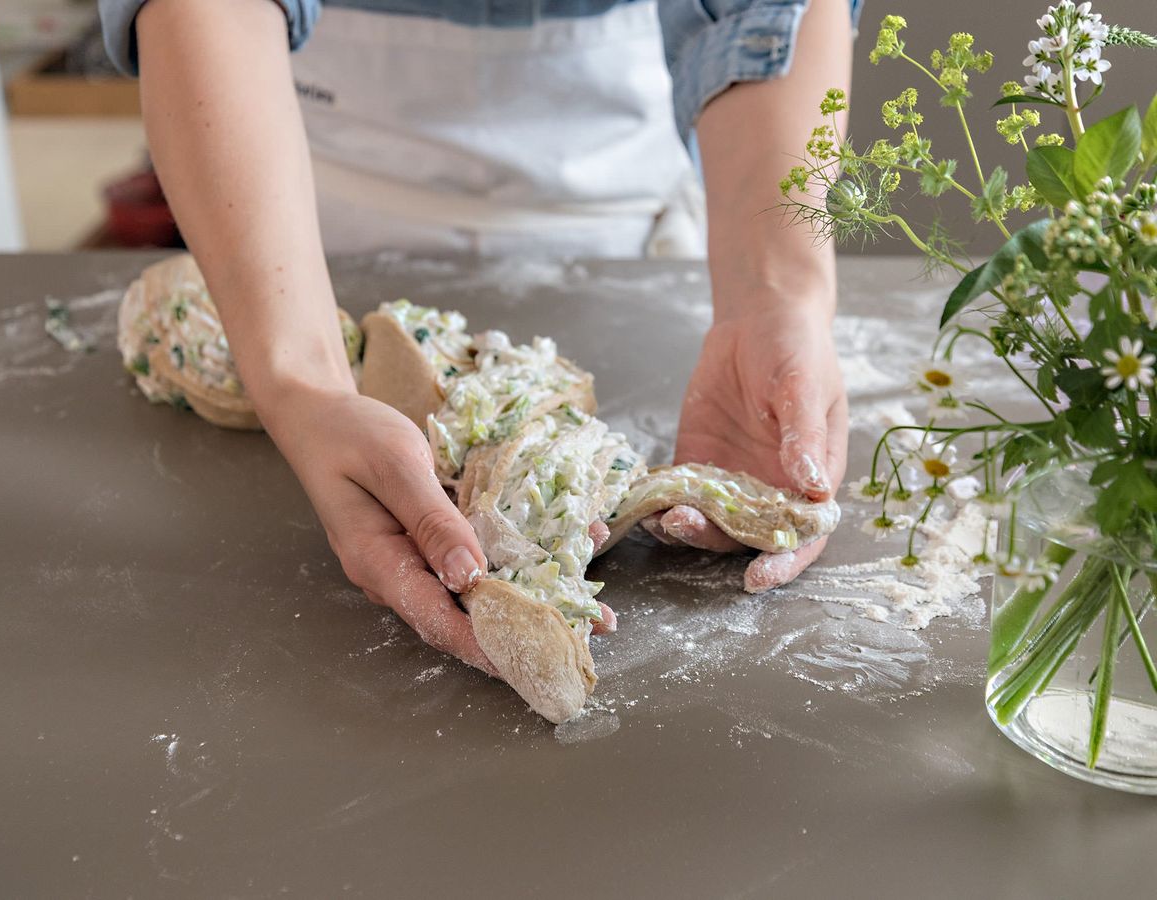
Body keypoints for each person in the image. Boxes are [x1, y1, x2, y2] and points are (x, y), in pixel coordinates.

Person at [99, 0, 856, 674]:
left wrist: (774, 298)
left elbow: (763, 12)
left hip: (620, 185)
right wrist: (302, 379)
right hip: (299, 201)